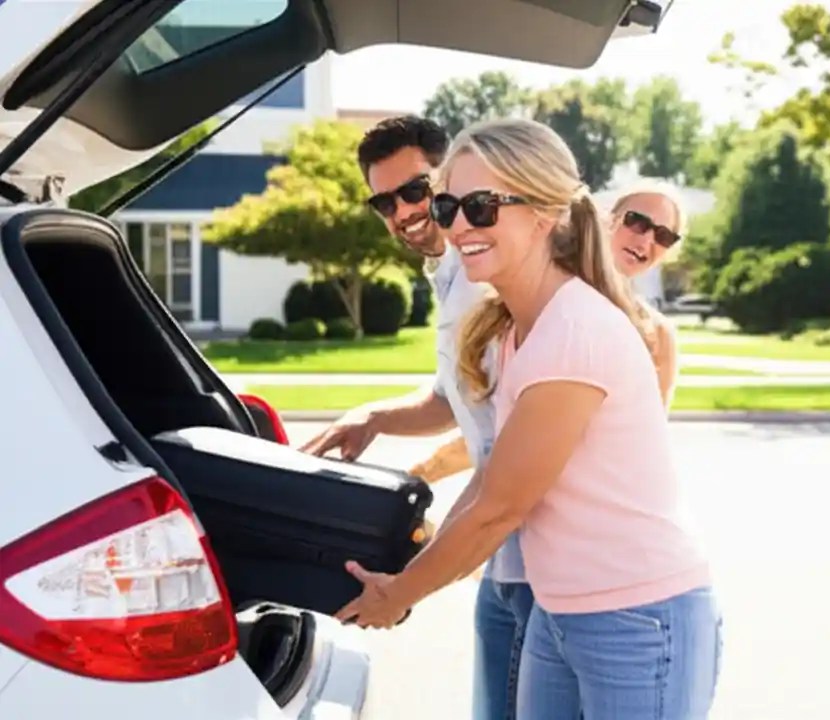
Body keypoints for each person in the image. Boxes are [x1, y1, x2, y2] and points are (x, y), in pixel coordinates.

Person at [335, 118, 721, 719]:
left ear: (544, 212)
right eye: (450, 204)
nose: (459, 224)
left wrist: (400, 594)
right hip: (561, 611)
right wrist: (403, 573)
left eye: (483, 207)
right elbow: (492, 481)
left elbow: (500, 509)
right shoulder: (516, 328)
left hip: (639, 619)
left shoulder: (574, 331)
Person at [296, 115, 532, 720]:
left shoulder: (494, 281)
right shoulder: (453, 276)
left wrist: (406, 584)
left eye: (414, 190)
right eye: (384, 201)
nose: (402, 212)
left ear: (449, 177)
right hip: (505, 568)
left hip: (545, 569)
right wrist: (372, 418)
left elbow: (508, 460)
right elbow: (455, 402)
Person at [606, 181, 687, 406]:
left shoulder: (660, 335)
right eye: (637, 222)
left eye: (663, 236)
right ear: (607, 219)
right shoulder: (549, 298)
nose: (645, 242)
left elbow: (653, 435)